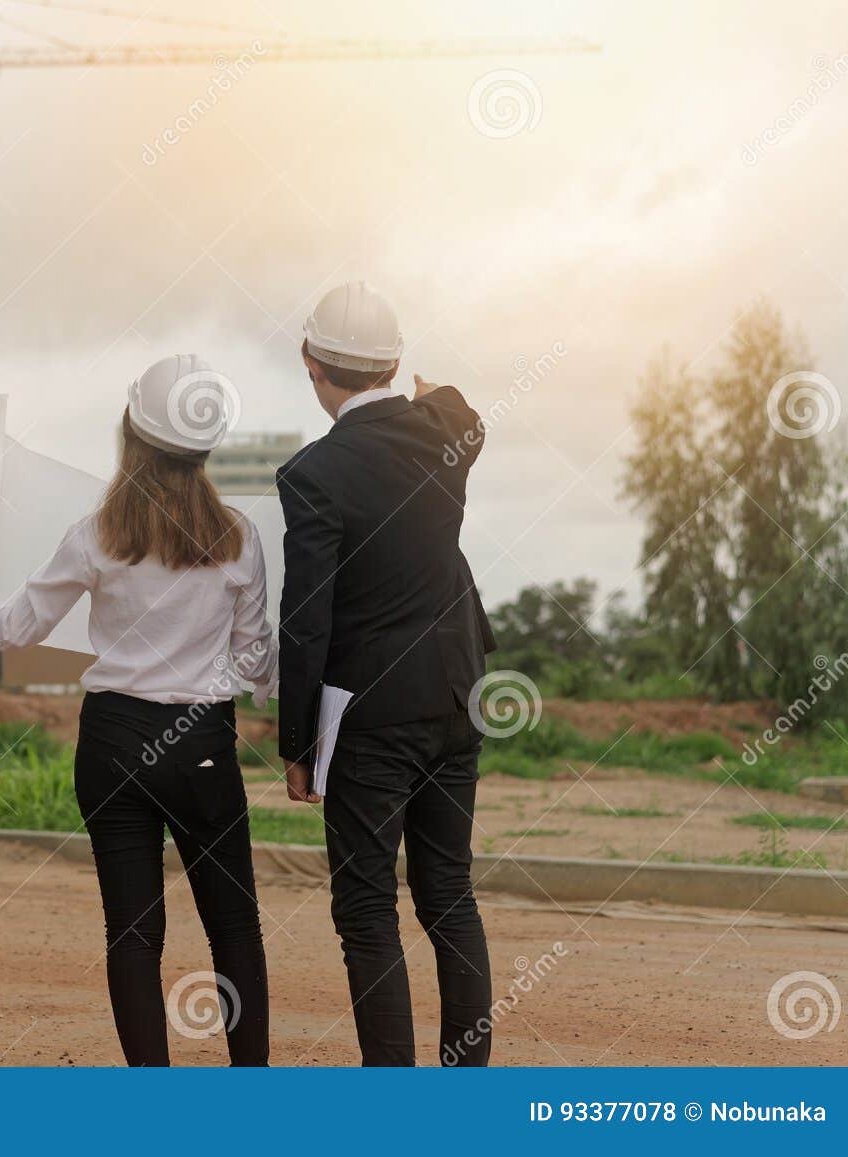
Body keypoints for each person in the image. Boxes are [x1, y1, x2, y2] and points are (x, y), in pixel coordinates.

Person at [0, 355, 277, 1067]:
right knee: (235, 927)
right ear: (206, 444)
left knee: (132, 931)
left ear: (132, 431)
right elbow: (255, 664)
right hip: (204, 745)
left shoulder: (94, 535)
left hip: (115, 743)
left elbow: (9, 630)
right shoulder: (241, 538)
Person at [277, 281, 497, 1067]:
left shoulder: (312, 475)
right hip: (456, 696)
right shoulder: (447, 435)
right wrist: (435, 387)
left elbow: (305, 621)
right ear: (397, 363)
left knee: (368, 912)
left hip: (371, 721)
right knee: (449, 897)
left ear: (312, 365)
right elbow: (460, 408)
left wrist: (296, 741)